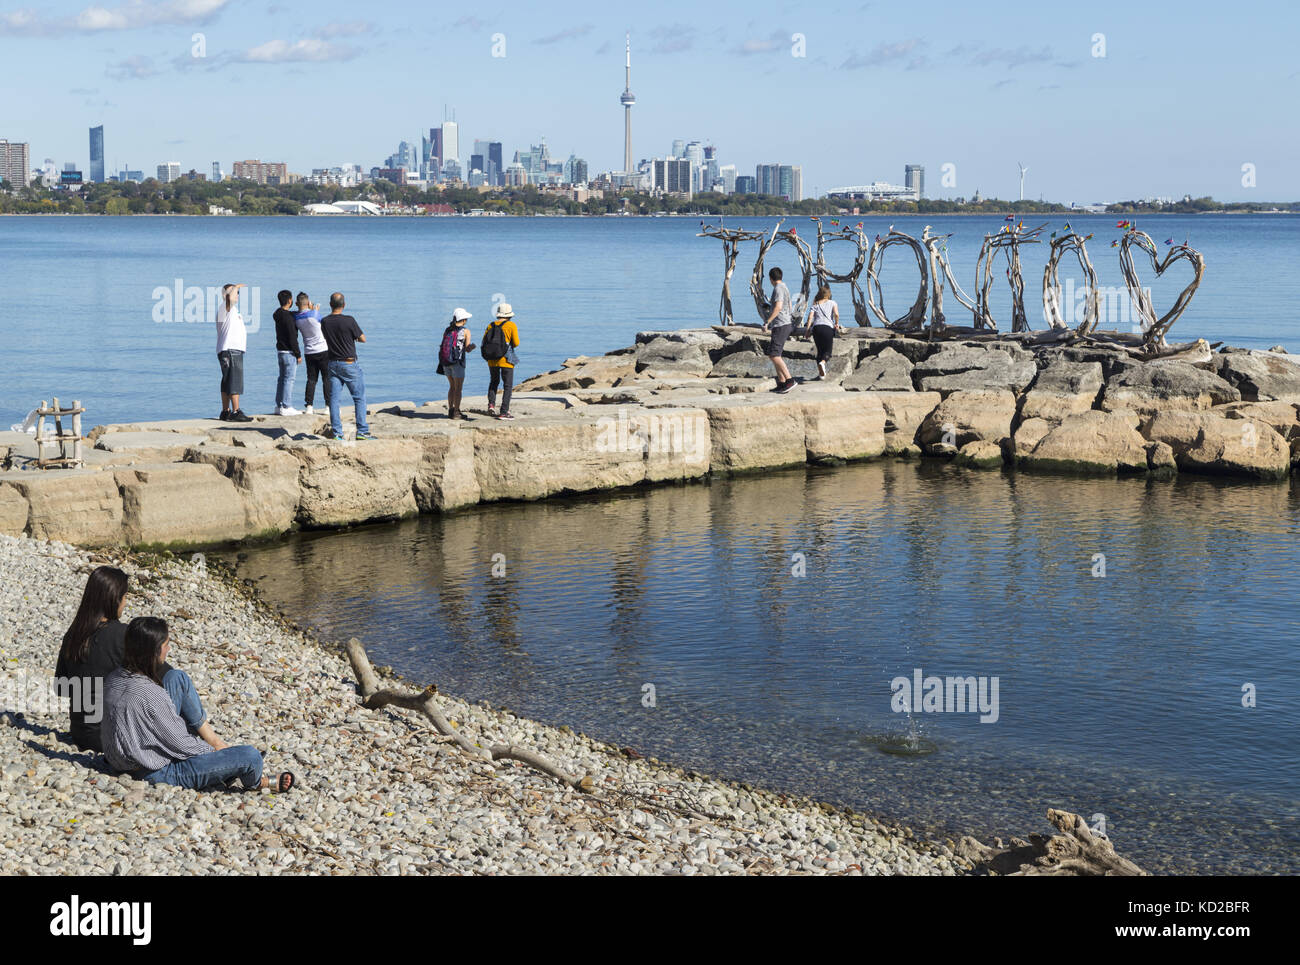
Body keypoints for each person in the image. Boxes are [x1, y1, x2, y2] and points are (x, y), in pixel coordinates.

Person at [103, 617, 294, 793]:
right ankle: (255, 782)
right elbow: (182, 744)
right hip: (154, 771)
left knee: (176, 678)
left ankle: (216, 741)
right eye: (166, 644)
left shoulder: (114, 677)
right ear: (154, 651)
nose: (169, 649)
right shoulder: (151, 694)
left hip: (126, 757)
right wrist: (217, 754)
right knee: (250, 757)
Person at [55, 567, 221, 754]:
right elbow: (165, 677)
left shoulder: (73, 634)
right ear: (114, 599)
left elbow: (61, 687)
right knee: (177, 678)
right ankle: (214, 742)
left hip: (82, 734)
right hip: (113, 736)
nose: (125, 604)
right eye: (125, 597)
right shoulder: (121, 635)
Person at [321, 292, 374, 441]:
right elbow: (363, 339)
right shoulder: (349, 320)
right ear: (344, 305)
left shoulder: (324, 321)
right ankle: (362, 431)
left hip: (332, 364)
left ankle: (337, 433)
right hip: (349, 363)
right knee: (359, 397)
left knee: (334, 399)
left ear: (330, 304)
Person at [216, 282, 253, 422]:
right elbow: (229, 298)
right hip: (230, 349)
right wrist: (235, 287)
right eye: (235, 293)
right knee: (234, 380)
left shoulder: (231, 310)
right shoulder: (225, 308)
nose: (237, 295)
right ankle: (236, 411)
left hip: (230, 349)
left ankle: (225, 411)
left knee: (227, 381)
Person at [481, 302, 520, 420]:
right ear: (509, 315)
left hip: (492, 360)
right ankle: (504, 411)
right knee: (507, 385)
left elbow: (484, 342)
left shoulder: (491, 325)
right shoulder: (511, 325)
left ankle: (491, 405)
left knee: (494, 382)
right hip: (506, 360)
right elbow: (516, 343)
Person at [294, 292, 330, 415]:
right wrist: (314, 309)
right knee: (326, 378)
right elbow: (321, 322)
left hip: (309, 352)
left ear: (296, 303)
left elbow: (304, 314)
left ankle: (309, 406)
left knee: (311, 379)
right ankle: (328, 407)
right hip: (323, 350)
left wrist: (310, 309)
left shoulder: (296, 318)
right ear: (308, 302)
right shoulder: (315, 314)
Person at [436, 307, 475, 419]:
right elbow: (467, 349)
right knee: (458, 388)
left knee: (452, 386)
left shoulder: (447, 330)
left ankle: (451, 410)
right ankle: (457, 413)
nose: (466, 320)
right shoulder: (466, 331)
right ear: (463, 320)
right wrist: (472, 347)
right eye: (466, 318)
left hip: (446, 362)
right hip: (458, 363)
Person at [763, 267, 796, 393]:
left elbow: (779, 307)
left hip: (781, 324)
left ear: (771, 278)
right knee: (775, 354)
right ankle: (781, 383)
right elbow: (789, 305)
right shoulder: (784, 287)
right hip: (784, 323)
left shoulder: (778, 289)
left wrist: (768, 321)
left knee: (774, 355)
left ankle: (789, 380)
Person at [803, 286, 844, 380]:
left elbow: (810, 317)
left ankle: (822, 374)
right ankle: (823, 363)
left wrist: (808, 330)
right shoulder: (833, 302)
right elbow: (836, 314)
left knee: (820, 351)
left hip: (816, 329)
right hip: (827, 328)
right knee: (828, 352)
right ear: (828, 294)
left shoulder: (815, 304)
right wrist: (836, 324)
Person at [273, 289, 302, 416]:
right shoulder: (289, 318)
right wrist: (298, 354)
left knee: (282, 379)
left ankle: (279, 405)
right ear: (290, 301)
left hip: (280, 351)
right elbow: (292, 338)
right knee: (289, 379)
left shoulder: (278, 314)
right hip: (289, 352)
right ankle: (286, 405)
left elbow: (290, 313)